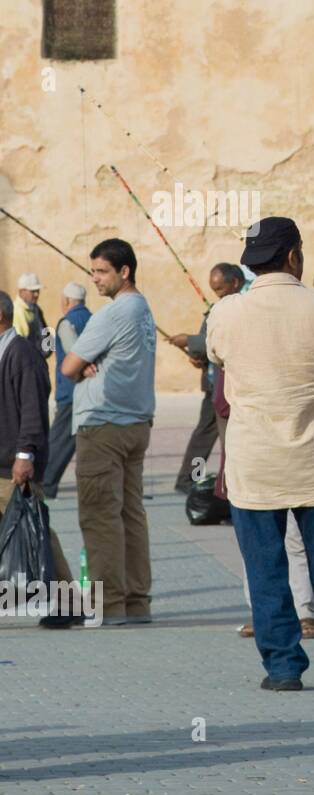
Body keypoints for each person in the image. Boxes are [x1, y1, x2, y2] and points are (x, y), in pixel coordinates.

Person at [206, 216, 314, 691]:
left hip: (254, 463)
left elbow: (217, 357)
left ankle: (282, 667)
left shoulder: (226, 312)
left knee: (265, 568)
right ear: (294, 256)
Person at [60, 239, 156, 625]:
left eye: (102, 271)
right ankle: (137, 602)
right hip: (136, 422)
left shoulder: (113, 313)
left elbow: (68, 365)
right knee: (131, 514)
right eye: (93, 271)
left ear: (124, 271)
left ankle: (109, 605)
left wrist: (82, 364)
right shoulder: (144, 307)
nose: (95, 279)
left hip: (104, 423)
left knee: (100, 516)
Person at [0, 291, 76, 627]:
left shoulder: (21, 353)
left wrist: (25, 454)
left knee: (38, 530)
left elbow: (32, 408)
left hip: (12, 466)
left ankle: (68, 602)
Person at [169, 263, 244, 494]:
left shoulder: (240, 309)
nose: (217, 294)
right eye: (214, 290)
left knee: (229, 440)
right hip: (213, 386)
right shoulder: (215, 309)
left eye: (220, 289)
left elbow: (219, 339)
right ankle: (189, 479)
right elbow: (207, 342)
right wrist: (196, 355)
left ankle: (229, 486)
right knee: (204, 436)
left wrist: (189, 341)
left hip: (232, 387)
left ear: (235, 284)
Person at [42, 282, 92, 499]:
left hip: (71, 390)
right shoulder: (93, 319)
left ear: (67, 301)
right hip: (90, 390)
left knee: (58, 440)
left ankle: (46, 483)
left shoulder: (66, 323)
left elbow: (73, 353)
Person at [12, 273, 48, 350]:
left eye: (38, 290)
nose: (36, 294)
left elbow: (45, 334)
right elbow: (20, 346)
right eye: (33, 291)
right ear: (21, 291)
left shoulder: (36, 309)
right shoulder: (17, 312)